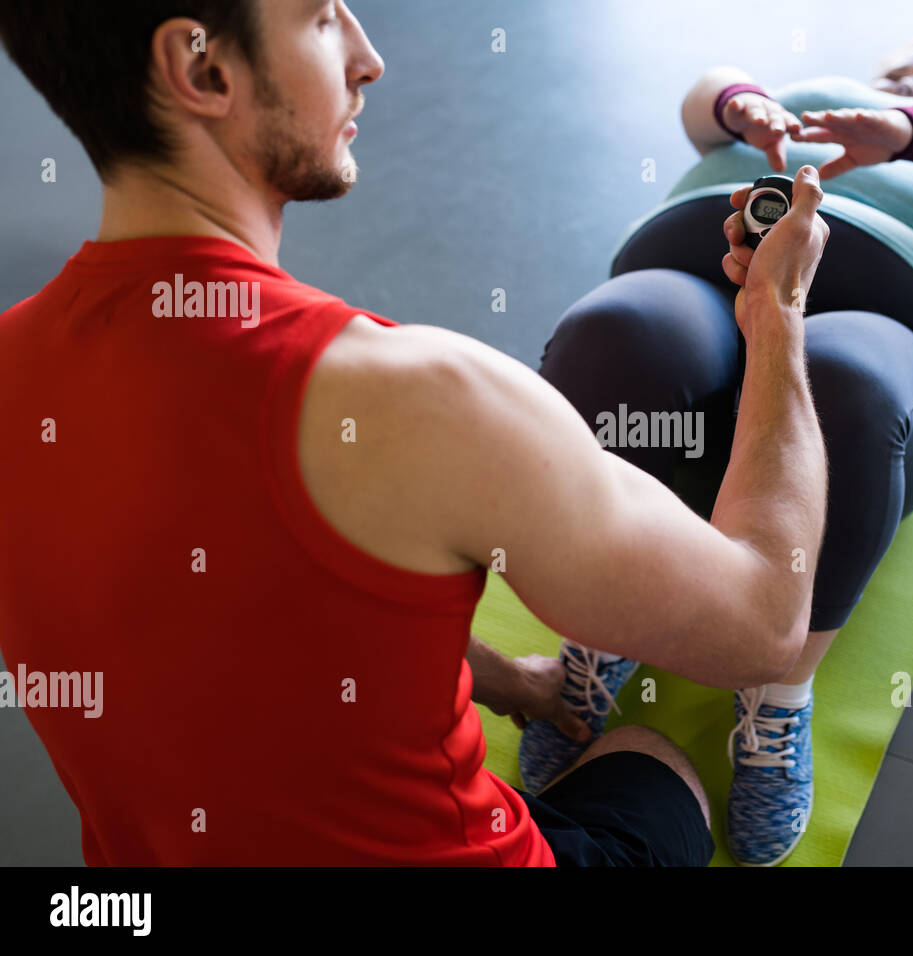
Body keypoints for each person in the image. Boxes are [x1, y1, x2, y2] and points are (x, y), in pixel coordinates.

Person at [0, 1, 830, 867]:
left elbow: (221, 593)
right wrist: (777, 316)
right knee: (654, 768)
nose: (369, 57)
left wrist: (511, 681)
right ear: (203, 71)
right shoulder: (421, 399)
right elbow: (764, 623)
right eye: (322, 19)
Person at [521, 38, 913, 866]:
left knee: (850, 388)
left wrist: (912, 128)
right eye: (894, 77)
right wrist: (742, 106)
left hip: (890, 309)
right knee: (619, 335)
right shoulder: (806, 105)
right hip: (701, 263)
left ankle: (777, 694)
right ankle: (600, 628)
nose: (902, 87)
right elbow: (702, 98)